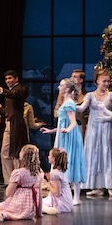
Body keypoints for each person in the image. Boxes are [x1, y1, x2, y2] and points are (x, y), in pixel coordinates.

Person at [76, 68, 112, 198]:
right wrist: (70, 104)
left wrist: (107, 118)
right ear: (97, 82)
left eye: (108, 81)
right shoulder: (90, 96)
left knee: (107, 154)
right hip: (93, 130)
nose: (106, 83)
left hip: (107, 129)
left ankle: (110, 186)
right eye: (104, 81)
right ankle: (97, 186)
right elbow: (82, 108)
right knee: (94, 154)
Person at [41, 78, 86, 206]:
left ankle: (76, 197)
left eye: (61, 86)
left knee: (73, 162)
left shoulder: (69, 103)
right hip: (65, 135)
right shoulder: (66, 102)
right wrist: (51, 131)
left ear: (67, 89)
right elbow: (63, 123)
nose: (58, 87)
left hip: (71, 137)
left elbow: (73, 123)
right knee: (64, 162)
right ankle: (64, 195)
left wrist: (67, 130)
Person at [0, 144, 43, 222]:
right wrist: (39, 212)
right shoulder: (39, 173)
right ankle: (5, 215)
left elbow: (8, 193)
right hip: (31, 210)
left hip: (19, 204)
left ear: (23, 155)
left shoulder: (19, 173)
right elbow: (40, 194)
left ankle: (4, 215)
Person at [0, 70, 29, 187]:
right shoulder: (10, 92)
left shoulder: (20, 89)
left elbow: (13, 94)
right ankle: (8, 181)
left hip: (16, 124)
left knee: (16, 153)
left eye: (10, 78)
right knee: (5, 152)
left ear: (16, 79)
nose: (8, 81)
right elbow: (7, 112)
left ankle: (18, 180)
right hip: (9, 123)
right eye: (6, 79)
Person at [54, 69, 88, 137]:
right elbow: (58, 106)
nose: (71, 79)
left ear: (81, 80)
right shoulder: (63, 93)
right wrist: (58, 115)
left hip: (79, 124)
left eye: (75, 77)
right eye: (71, 76)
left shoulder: (86, 95)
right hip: (65, 122)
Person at [41, 147, 73, 214]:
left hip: (61, 203)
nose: (48, 157)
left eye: (49, 155)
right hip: (66, 200)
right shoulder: (61, 170)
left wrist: (47, 183)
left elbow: (57, 193)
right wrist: (50, 180)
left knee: (37, 203)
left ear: (53, 159)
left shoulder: (55, 173)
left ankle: (48, 209)